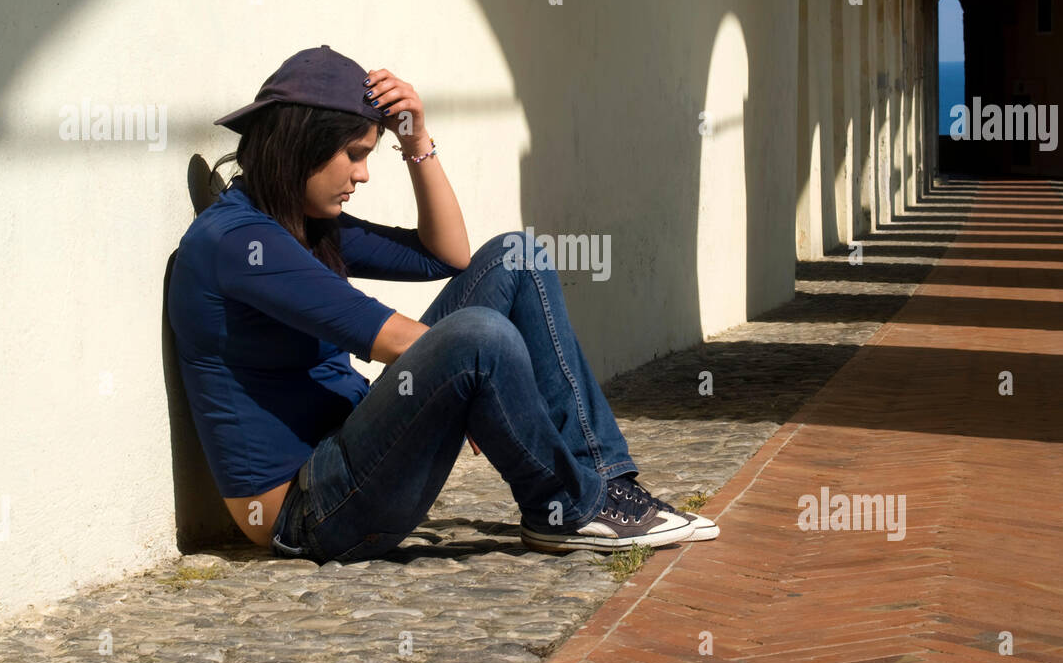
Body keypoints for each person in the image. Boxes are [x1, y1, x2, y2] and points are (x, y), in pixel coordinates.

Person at [166, 45, 718, 565]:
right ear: (302, 145)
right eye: (355, 155)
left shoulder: (305, 225)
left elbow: (448, 254)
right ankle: (567, 507)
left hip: (357, 447)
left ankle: (605, 486)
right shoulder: (240, 244)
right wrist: (482, 378)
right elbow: (393, 340)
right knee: (478, 336)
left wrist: (416, 140)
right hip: (309, 511)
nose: (362, 174)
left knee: (516, 257)